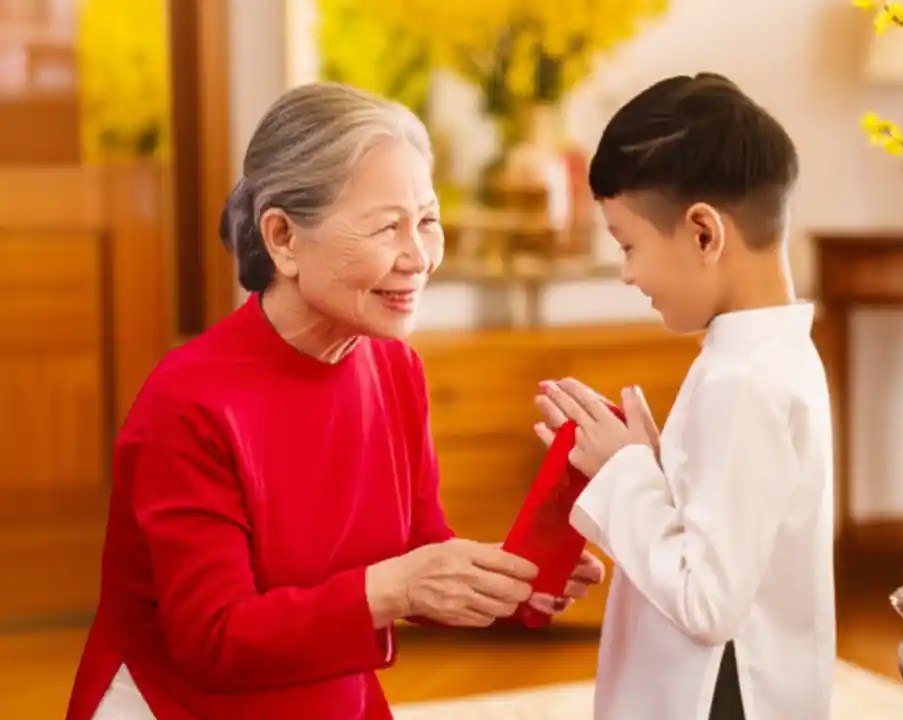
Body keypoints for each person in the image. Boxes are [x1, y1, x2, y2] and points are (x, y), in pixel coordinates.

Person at [66, 82, 603, 720]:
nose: (419, 258)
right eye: (386, 228)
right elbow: (213, 640)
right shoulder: (188, 401)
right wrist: (396, 588)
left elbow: (418, 548)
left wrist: (514, 583)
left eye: (427, 222)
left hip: (321, 693)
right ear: (284, 239)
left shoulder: (394, 367)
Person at [534, 73, 836, 719]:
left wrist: (623, 473)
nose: (627, 272)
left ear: (703, 233)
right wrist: (653, 468)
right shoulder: (766, 353)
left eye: (628, 244)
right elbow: (727, 530)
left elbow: (709, 602)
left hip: (721, 697)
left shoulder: (743, 379)